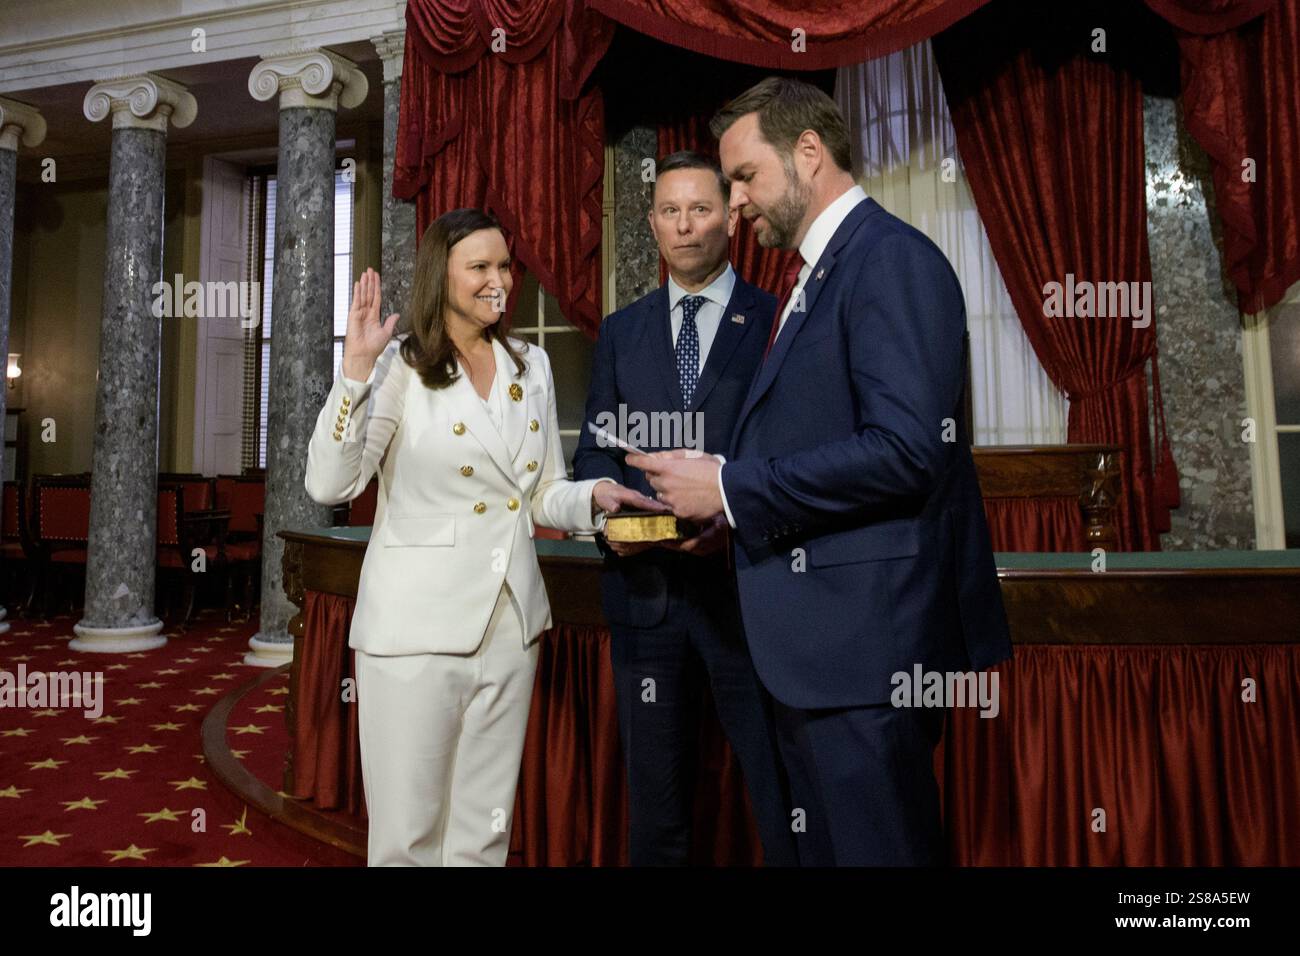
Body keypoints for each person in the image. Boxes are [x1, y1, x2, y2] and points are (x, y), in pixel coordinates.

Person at [628, 78, 1013, 866]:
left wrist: (731, 489)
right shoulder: (817, 273)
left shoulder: (890, 260)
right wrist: (725, 516)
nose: (733, 205)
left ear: (808, 152)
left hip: (867, 656)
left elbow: (908, 449)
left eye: (743, 177)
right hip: (817, 655)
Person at [305, 208, 659, 866]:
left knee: (483, 836)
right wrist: (353, 372)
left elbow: (541, 490)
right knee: (408, 840)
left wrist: (597, 498)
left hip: (510, 627)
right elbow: (332, 485)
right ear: (442, 275)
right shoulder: (398, 368)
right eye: (480, 267)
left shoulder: (532, 365)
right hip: (414, 633)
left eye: (504, 266)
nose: (498, 280)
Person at [573, 151, 795, 866]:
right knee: (658, 813)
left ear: (729, 216)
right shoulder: (621, 330)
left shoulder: (777, 321)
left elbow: (792, 449)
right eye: (670, 211)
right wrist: (616, 518)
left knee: (780, 797)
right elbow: (596, 456)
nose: (685, 225)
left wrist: (733, 513)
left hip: (751, 598)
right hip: (648, 602)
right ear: (652, 222)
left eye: (700, 208)